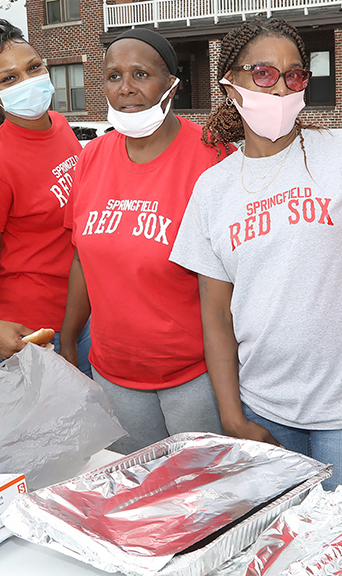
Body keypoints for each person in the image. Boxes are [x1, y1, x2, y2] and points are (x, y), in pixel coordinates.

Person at [169, 18, 342, 490]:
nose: (281, 87)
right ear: (230, 84)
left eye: (295, 75)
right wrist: (232, 415)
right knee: (279, 543)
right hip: (264, 407)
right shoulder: (212, 189)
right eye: (263, 74)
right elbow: (216, 314)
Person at [59, 28, 231, 454]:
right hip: (114, 375)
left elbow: (238, 271)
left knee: (204, 501)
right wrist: (68, 339)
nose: (127, 88)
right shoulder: (91, 158)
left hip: (195, 377)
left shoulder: (213, 155)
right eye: (113, 76)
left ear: (171, 83)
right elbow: (83, 257)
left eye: (141, 73)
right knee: (141, 501)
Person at [0, 18, 91, 376]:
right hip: (26, 332)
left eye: (34, 68)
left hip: (80, 316)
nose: (28, 81)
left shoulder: (61, 127)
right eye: (9, 78)